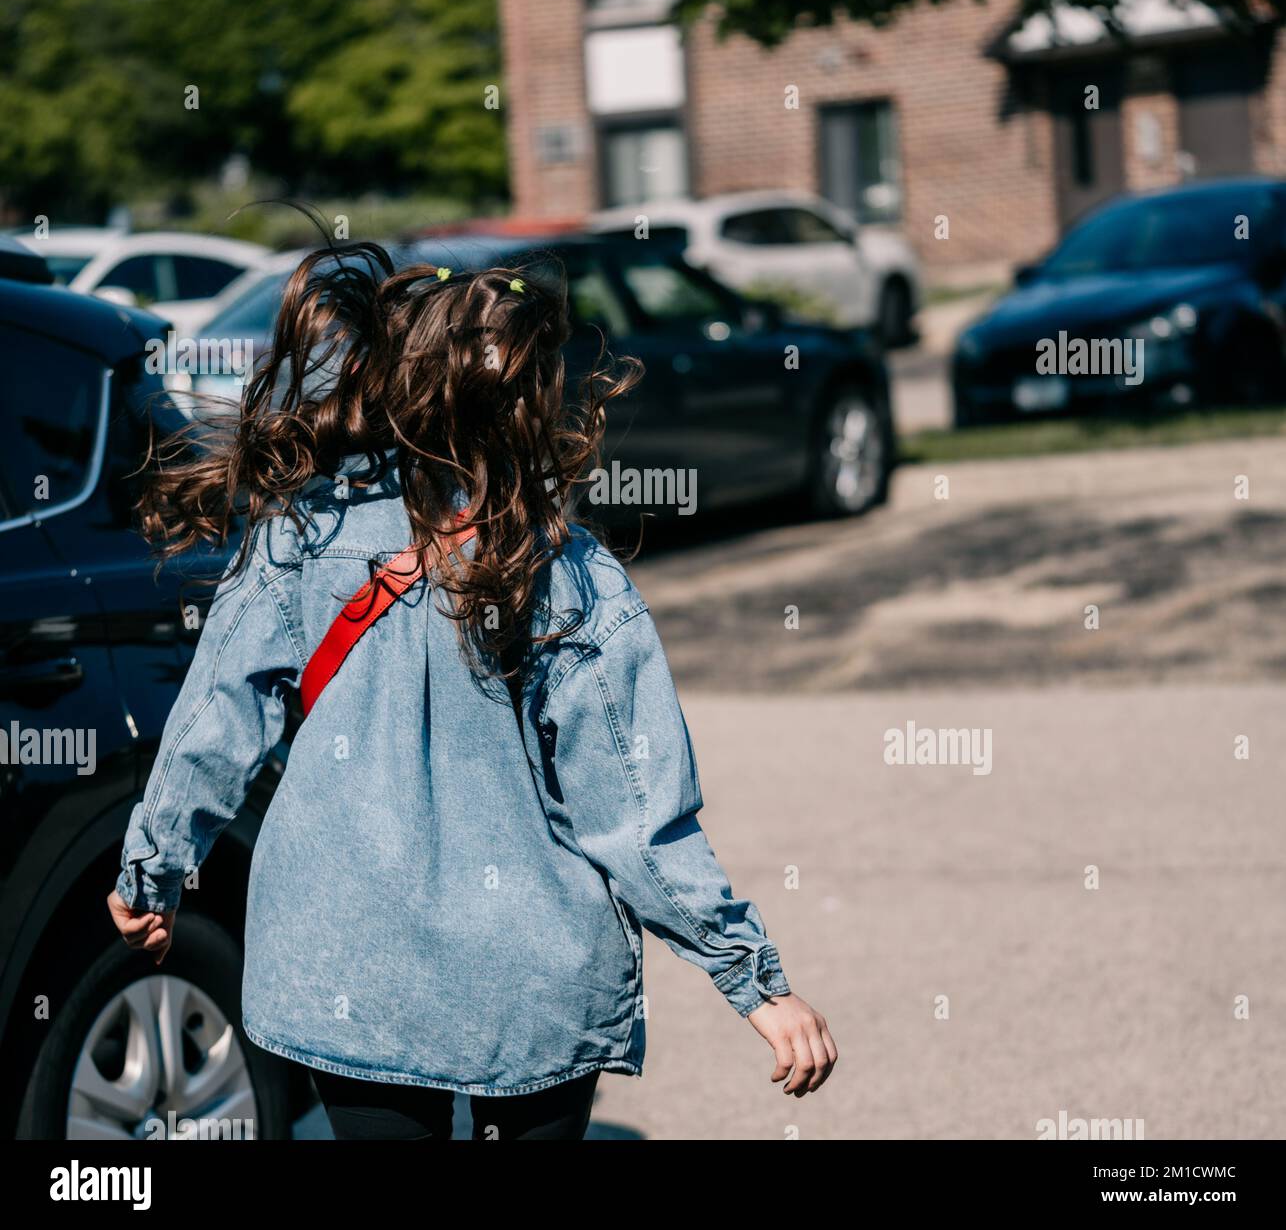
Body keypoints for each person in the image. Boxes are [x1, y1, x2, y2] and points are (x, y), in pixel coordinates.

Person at [106, 244, 837, 1140]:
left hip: (350, 966)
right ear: (534, 408)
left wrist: (155, 865)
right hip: (526, 982)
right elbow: (639, 816)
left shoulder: (304, 535)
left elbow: (214, 721)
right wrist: (755, 983)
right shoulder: (570, 574)